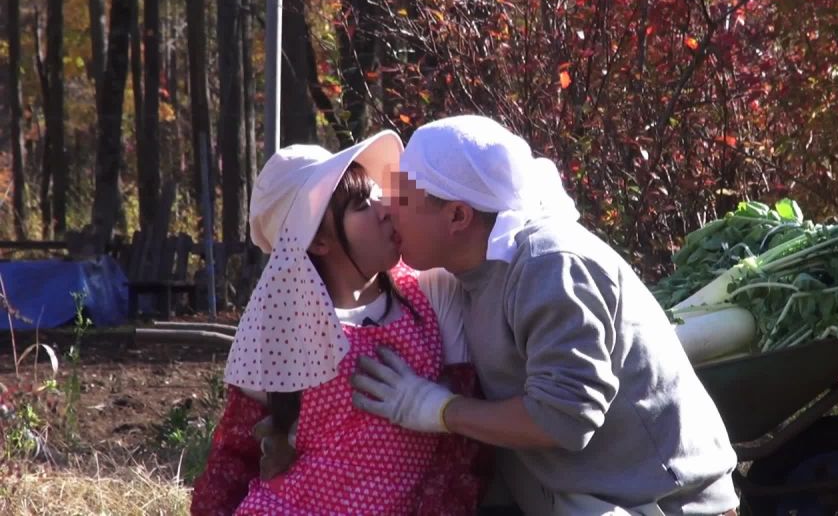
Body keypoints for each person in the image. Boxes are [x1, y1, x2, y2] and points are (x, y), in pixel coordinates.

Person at [351, 115, 739, 515]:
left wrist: (439, 410)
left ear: (457, 217)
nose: (387, 208)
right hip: (582, 495)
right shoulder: (471, 267)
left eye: (402, 197)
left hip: (664, 503)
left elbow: (564, 419)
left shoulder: (549, 266)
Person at [190, 132, 489, 516]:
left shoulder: (430, 293)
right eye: (362, 204)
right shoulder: (286, 328)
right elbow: (234, 457)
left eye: (378, 194)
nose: (385, 208)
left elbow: (459, 453)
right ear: (318, 242)